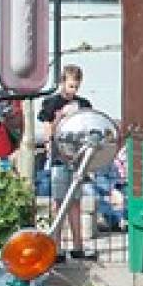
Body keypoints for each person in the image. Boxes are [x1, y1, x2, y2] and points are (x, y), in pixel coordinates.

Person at [40, 65, 95, 260]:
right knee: (58, 203)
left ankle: (78, 247)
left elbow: (89, 128)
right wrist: (60, 117)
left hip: (77, 159)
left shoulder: (83, 103)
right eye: (71, 86)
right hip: (59, 158)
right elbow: (48, 133)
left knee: (75, 203)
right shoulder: (51, 103)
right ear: (62, 82)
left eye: (76, 87)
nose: (73, 91)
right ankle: (56, 247)